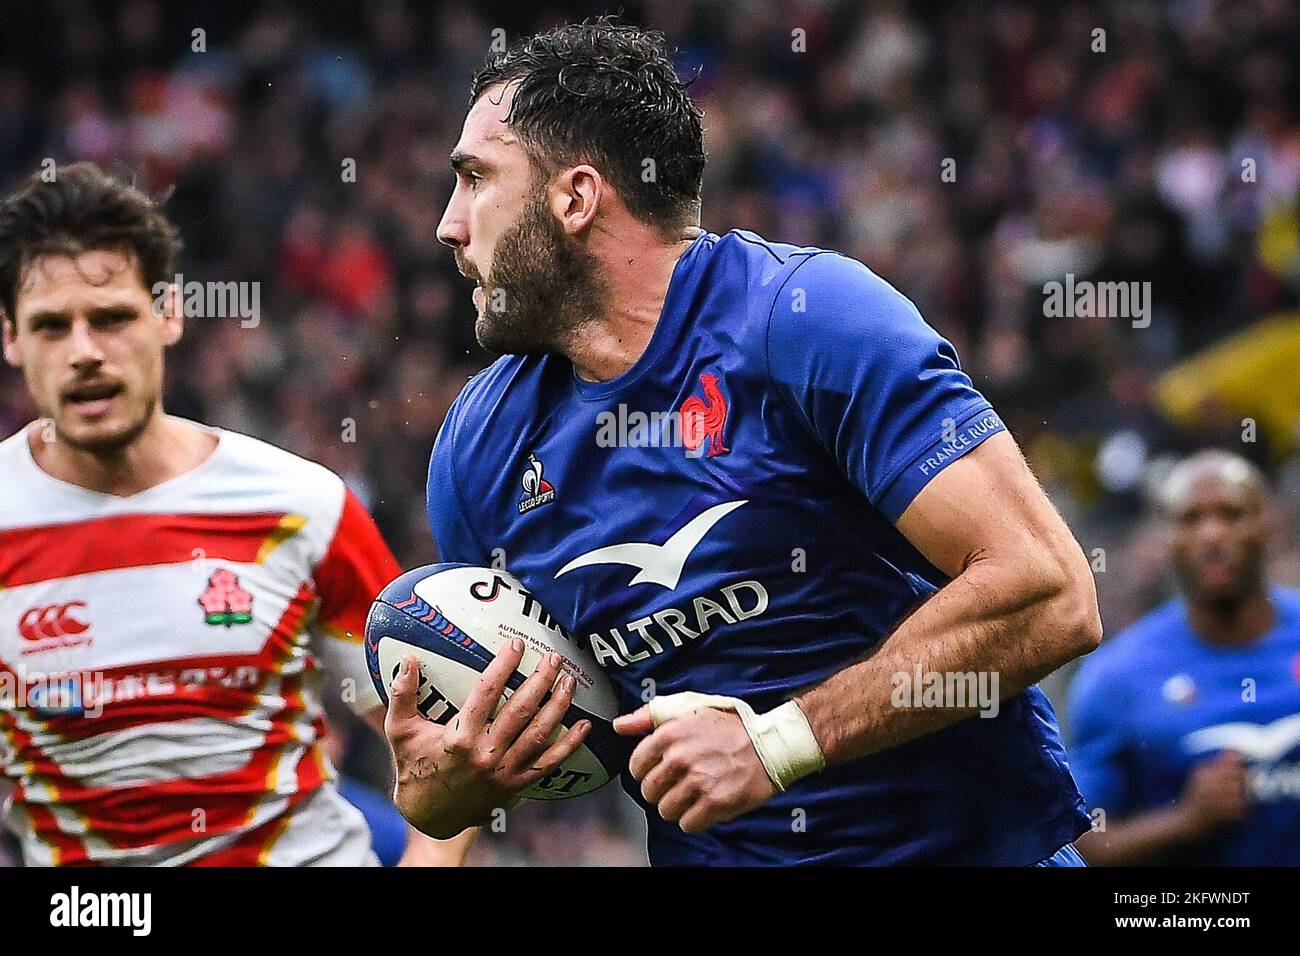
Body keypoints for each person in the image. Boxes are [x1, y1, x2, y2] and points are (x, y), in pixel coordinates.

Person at [384, 18, 1102, 866]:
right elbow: (491, 728)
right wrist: (439, 798)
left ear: (573, 198)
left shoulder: (802, 322)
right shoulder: (482, 448)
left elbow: (1050, 591)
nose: (447, 226)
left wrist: (780, 741)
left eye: (474, 179)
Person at [0, 162, 470, 866]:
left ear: (168, 313)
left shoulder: (298, 507)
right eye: (51, 327)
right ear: (10, 337)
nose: (86, 353)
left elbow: (448, 742)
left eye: (112, 317)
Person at [1070, 450, 1300, 865]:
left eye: (1231, 515)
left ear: (1268, 525)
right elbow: (1078, 844)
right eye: (1190, 520)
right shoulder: (1118, 676)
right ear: (1167, 538)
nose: (1212, 535)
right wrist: (1184, 821)